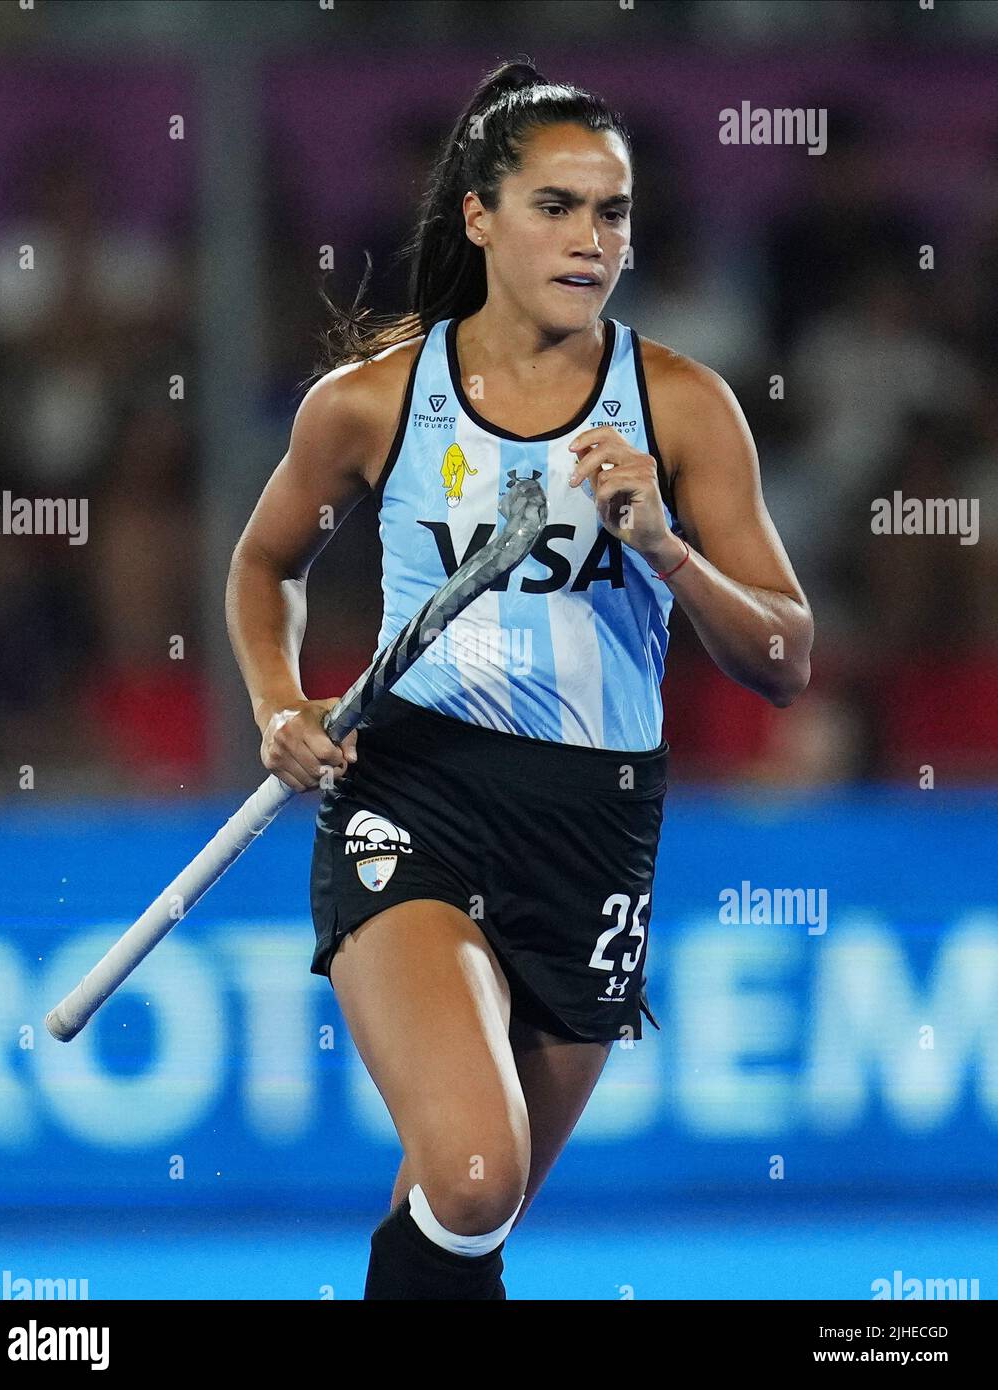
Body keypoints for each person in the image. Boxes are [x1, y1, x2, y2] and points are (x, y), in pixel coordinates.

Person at [226, 58, 813, 1300]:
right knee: (479, 1170)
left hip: (595, 826)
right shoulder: (372, 403)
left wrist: (663, 548)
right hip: (413, 795)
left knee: (453, 1222)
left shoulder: (685, 409)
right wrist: (278, 701)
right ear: (478, 217)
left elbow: (783, 658)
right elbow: (265, 562)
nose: (590, 238)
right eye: (555, 205)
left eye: (612, 211)